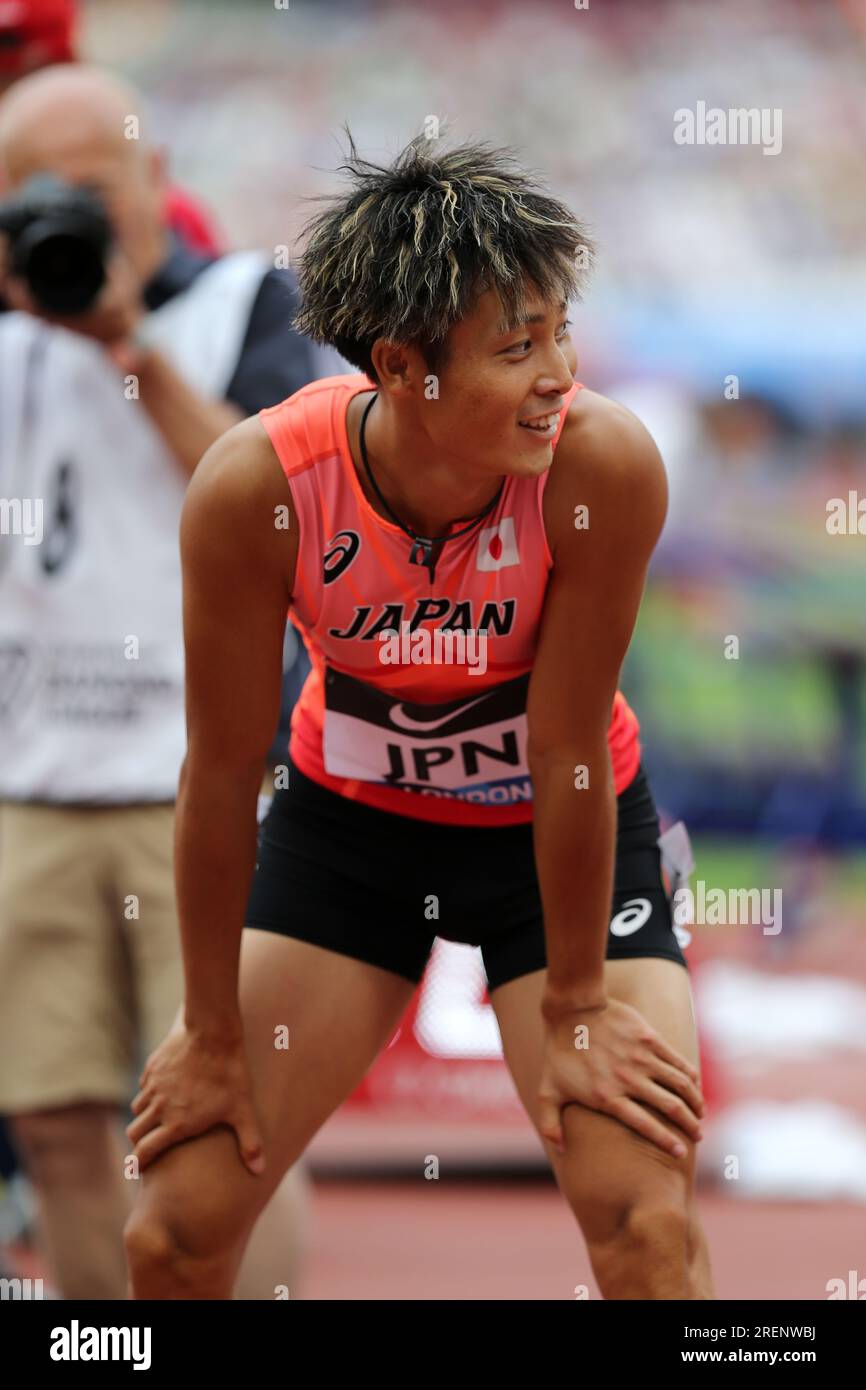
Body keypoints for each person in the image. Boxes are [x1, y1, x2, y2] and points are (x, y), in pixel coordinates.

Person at [124, 135, 715, 1300]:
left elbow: (565, 751)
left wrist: (580, 1005)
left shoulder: (601, 464)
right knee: (174, 1233)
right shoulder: (258, 487)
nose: (558, 374)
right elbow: (220, 768)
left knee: (641, 1221)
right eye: (514, 347)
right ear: (402, 368)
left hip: (553, 836)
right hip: (348, 835)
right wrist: (208, 1031)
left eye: (558, 331)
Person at [0, 64, 329, 1299]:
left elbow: (286, 510)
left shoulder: (244, 304)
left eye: (90, 187)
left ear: (154, 180)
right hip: (27, 782)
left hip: (196, 785)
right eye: (31, 194)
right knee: (54, 1127)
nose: (67, 218)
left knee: (223, 1125)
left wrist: (126, 348)